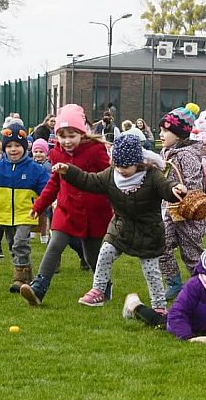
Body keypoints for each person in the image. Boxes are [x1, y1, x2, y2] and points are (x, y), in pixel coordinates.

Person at [50, 134, 183, 312]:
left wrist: (175, 189)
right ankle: (98, 290)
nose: (121, 170)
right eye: (117, 165)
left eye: (126, 166)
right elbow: (89, 180)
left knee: (152, 272)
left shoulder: (152, 176)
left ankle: (159, 307)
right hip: (121, 228)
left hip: (149, 233)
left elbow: (166, 187)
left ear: (139, 162)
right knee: (105, 251)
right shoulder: (111, 175)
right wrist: (69, 170)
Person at [22, 104, 110, 305]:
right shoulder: (56, 153)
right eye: (62, 136)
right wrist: (39, 206)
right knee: (54, 245)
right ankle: (39, 288)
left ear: (81, 132)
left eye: (72, 135)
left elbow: (108, 178)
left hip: (94, 212)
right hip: (66, 208)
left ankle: (103, 286)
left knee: (92, 256)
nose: (67, 141)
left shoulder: (95, 150)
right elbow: (54, 183)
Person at [123, 219, 206, 341]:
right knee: (160, 321)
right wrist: (187, 337)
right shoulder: (196, 285)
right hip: (188, 325)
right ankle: (134, 306)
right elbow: (178, 314)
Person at [0, 121, 50, 293]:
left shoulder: (35, 169)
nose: (13, 149)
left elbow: (47, 189)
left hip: (27, 214)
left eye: (17, 145)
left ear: (25, 147)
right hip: (5, 215)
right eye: (9, 146)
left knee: (20, 242)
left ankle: (18, 279)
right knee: (12, 246)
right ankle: (30, 278)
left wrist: (46, 204)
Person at [158, 107, 206, 300]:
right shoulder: (167, 152)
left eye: (165, 131)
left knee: (191, 253)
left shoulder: (186, 155)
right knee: (161, 245)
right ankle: (174, 282)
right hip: (169, 209)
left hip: (188, 212)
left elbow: (195, 183)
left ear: (178, 134)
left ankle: (205, 284)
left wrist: (181, 189)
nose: (161, 134)